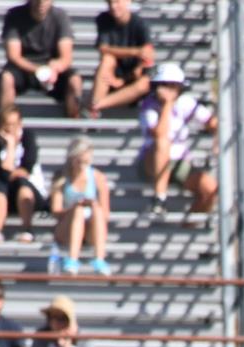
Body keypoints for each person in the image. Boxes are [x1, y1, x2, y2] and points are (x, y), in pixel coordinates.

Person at [137, 63, 216, 219]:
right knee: (163, 143)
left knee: (210, 189)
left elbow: (212, 123)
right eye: (165, 86)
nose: (169, 90)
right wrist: (167, 105)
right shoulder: (148, 106)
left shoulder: (186, 102)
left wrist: (216, 141)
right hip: (152, 160)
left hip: (179, 162)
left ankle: (189, 229)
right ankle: (159, 198)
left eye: (173, 86)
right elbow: (160, 133)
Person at [0, 0, 84, 121]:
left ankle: (74, 122)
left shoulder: (60, 16)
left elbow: (66, 57)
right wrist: (39, 70)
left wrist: (54, 68)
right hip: (23, 67)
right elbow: (13, 55)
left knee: (75, 80)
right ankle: (5, 126)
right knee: (6, 78)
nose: (41, 3)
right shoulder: (14, 15)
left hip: (51, 68)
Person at [48, 136, 112, 274]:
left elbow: (105, 214)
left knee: (96, 207)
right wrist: (75, 207)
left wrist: (92, 204)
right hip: (67, 229)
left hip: (91, 231)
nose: (82, 165)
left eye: (86, 161)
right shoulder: (62, 177)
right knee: (78, 210)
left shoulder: (98, 178)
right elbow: (56, 211)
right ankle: (72, 259)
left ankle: (99, 258)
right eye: (79, 161)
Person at [0, 106, 46, 244]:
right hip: (5, 193)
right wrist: (10, 146)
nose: (10, 129)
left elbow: (26, 167)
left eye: (13, 125)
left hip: (31, 194)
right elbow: (0, 173)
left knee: (21, 182)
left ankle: (27, 229)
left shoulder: (28, 137)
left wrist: (6, 171)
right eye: (6, 125)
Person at [88, 0, 154, 116]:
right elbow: (103, 48)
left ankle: (97, 105)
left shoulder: (140, 25)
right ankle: (96, 109)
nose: (113, 7)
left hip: (132, 80)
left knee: (145, 83)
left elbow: (148, 57)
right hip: (112, 76)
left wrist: (123, 80)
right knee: (107, 59)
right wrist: (135, 52)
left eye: (117, 2)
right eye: (110, 3)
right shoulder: (104, 19)